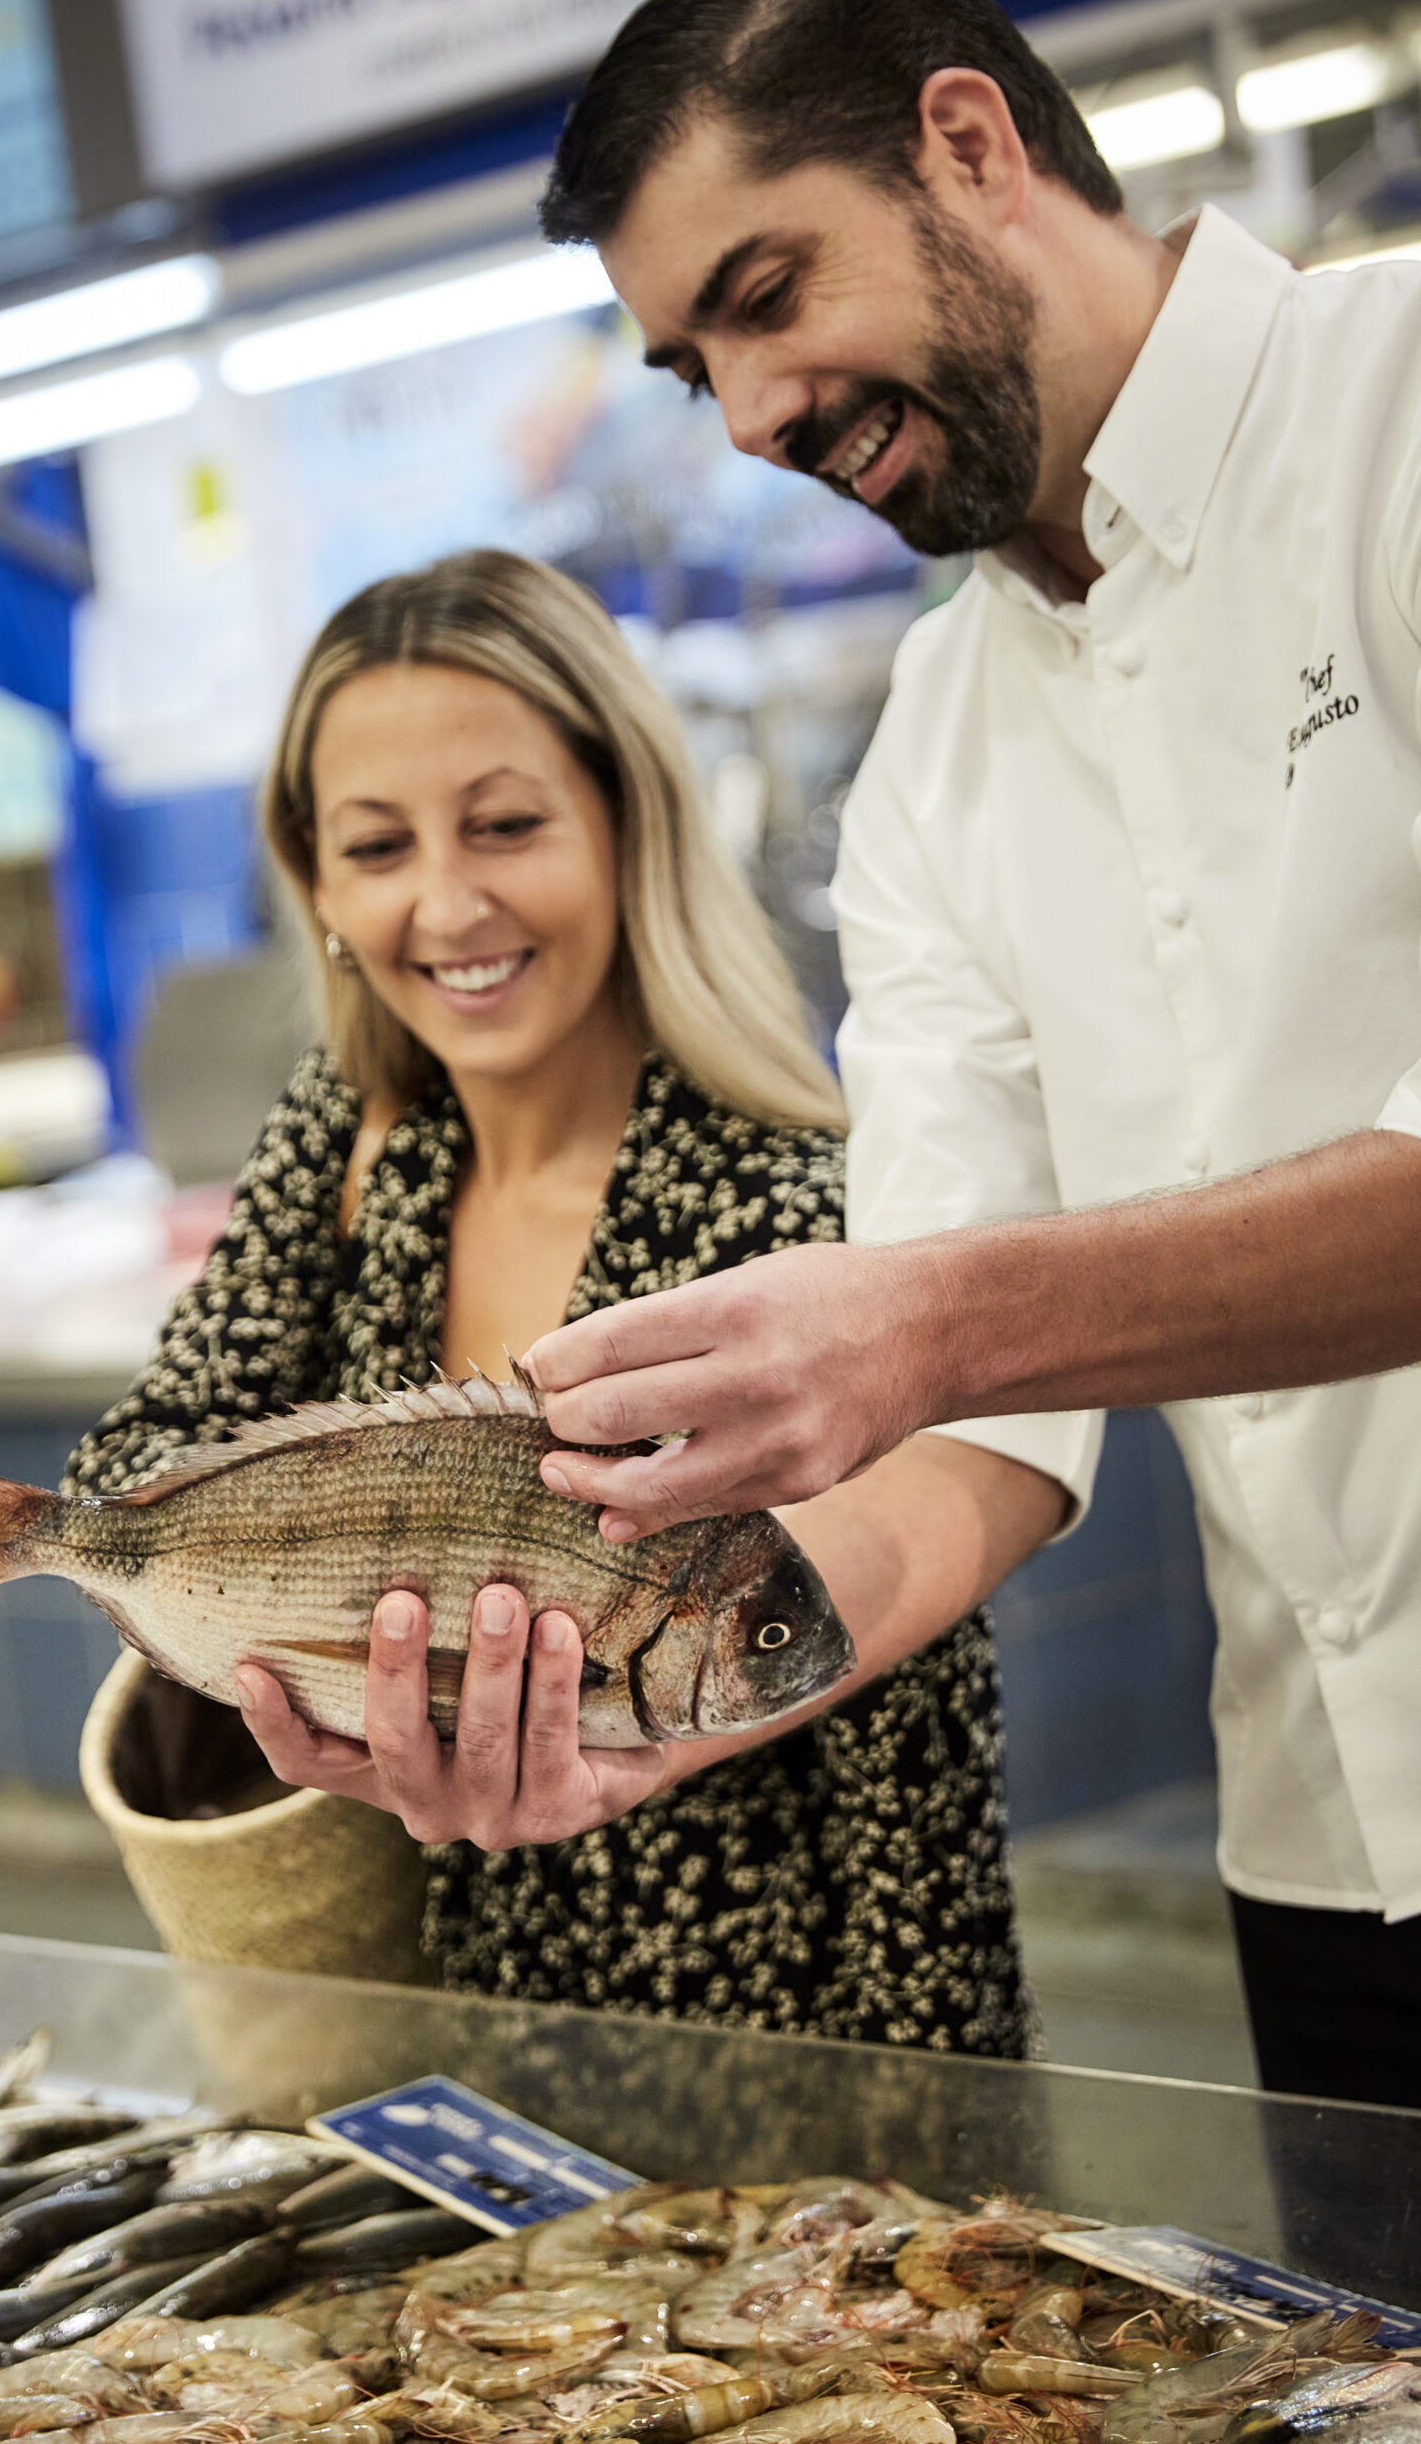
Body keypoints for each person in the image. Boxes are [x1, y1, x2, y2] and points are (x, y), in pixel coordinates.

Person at [487, 0, 1421, 2107]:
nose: (749, 417)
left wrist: (939, 1318)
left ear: (971, 145)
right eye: (685, 369)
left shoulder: (1398, 417)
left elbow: (954, 1328)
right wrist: (635, 1697)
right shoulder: (932, 748)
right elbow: (968, 1437)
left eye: (766, 296)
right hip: (1322, 1844)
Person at [68, 548, 1046, 2051]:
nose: (448, 904)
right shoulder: (346, 1142)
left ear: (622, 823)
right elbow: (130, 1470)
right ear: (315, 883)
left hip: (770, 2045)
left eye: (507, 825)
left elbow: (883, 1688)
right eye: (376, 846)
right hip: (442, 2040)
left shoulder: (785, 1221)